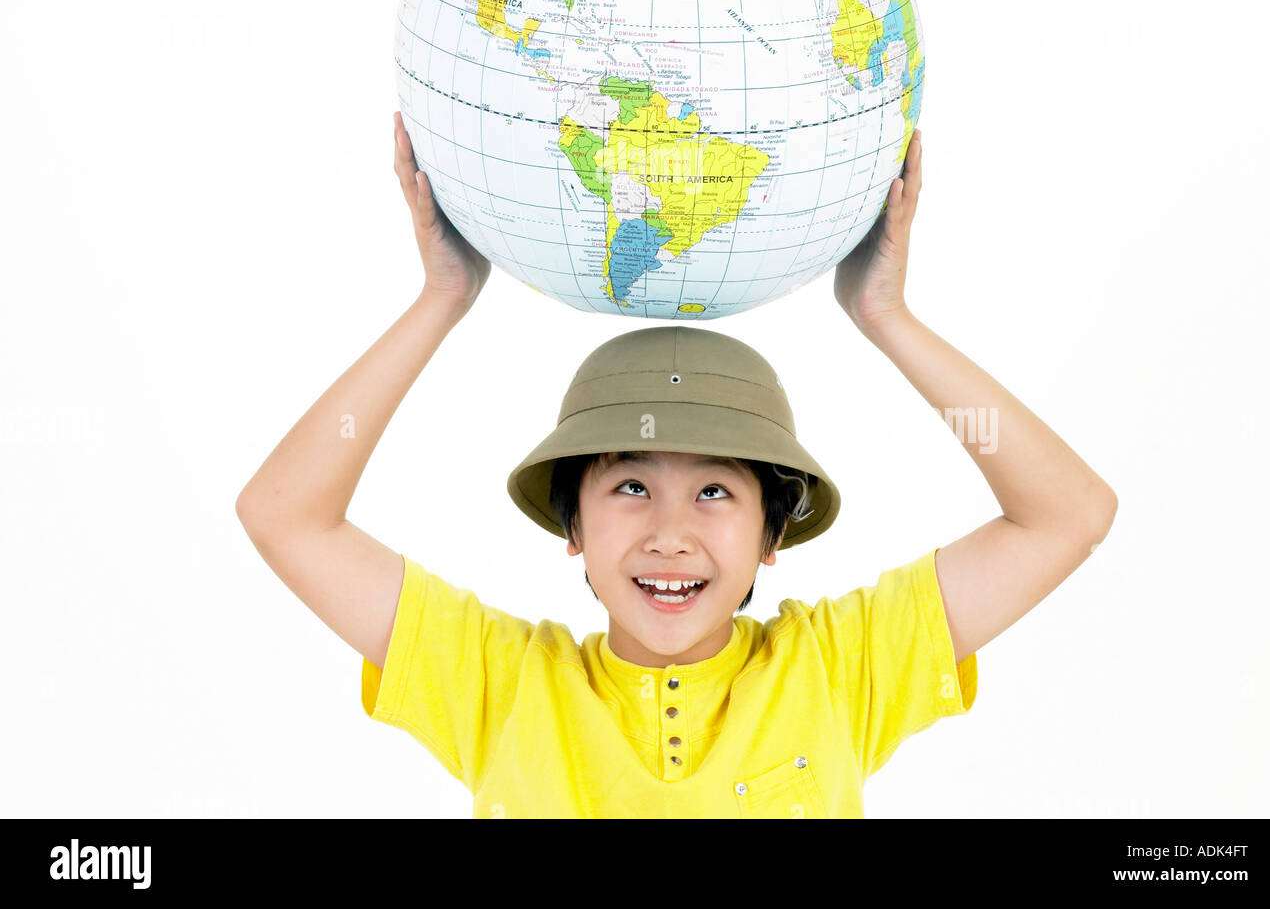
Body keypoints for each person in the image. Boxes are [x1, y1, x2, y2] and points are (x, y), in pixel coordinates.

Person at [235, 114, 1118, 818]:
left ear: (774, 533)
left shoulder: (840, 670)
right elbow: (285, 515)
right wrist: (442, 300)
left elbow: (1067, 514)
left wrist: (887, 315)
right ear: (571, 524)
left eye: (714, 491)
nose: (669, 533)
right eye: (628, 486)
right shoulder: (497, 683)